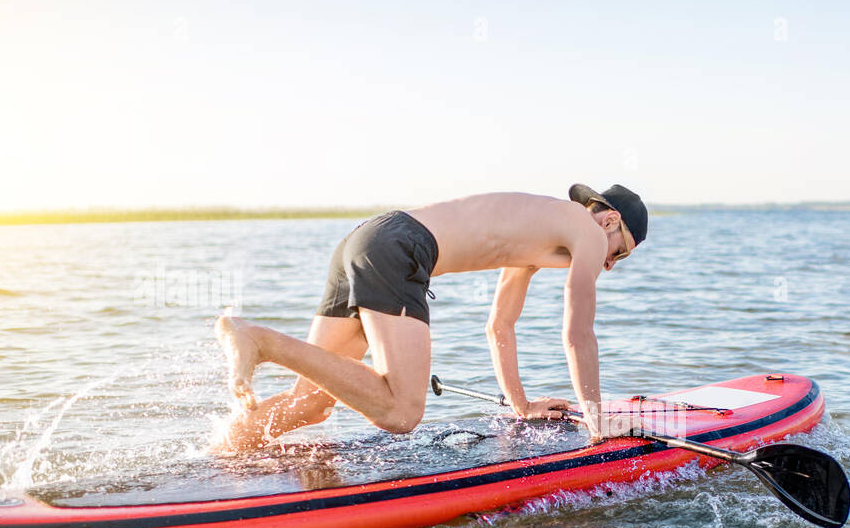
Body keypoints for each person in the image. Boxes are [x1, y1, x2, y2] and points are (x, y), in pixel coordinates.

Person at [212, 183, 647, 453]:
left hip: (369, 239)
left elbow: (500, 325)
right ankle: (261, 341)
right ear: (609, 220)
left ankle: (222, 457)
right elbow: (577, 333)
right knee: (401, 411)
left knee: (312, 402)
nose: (610, 265)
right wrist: (596, 418)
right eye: (620, 251)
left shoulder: (544, 231)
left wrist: (522, 405)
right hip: (400, 250)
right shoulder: (589, 232)